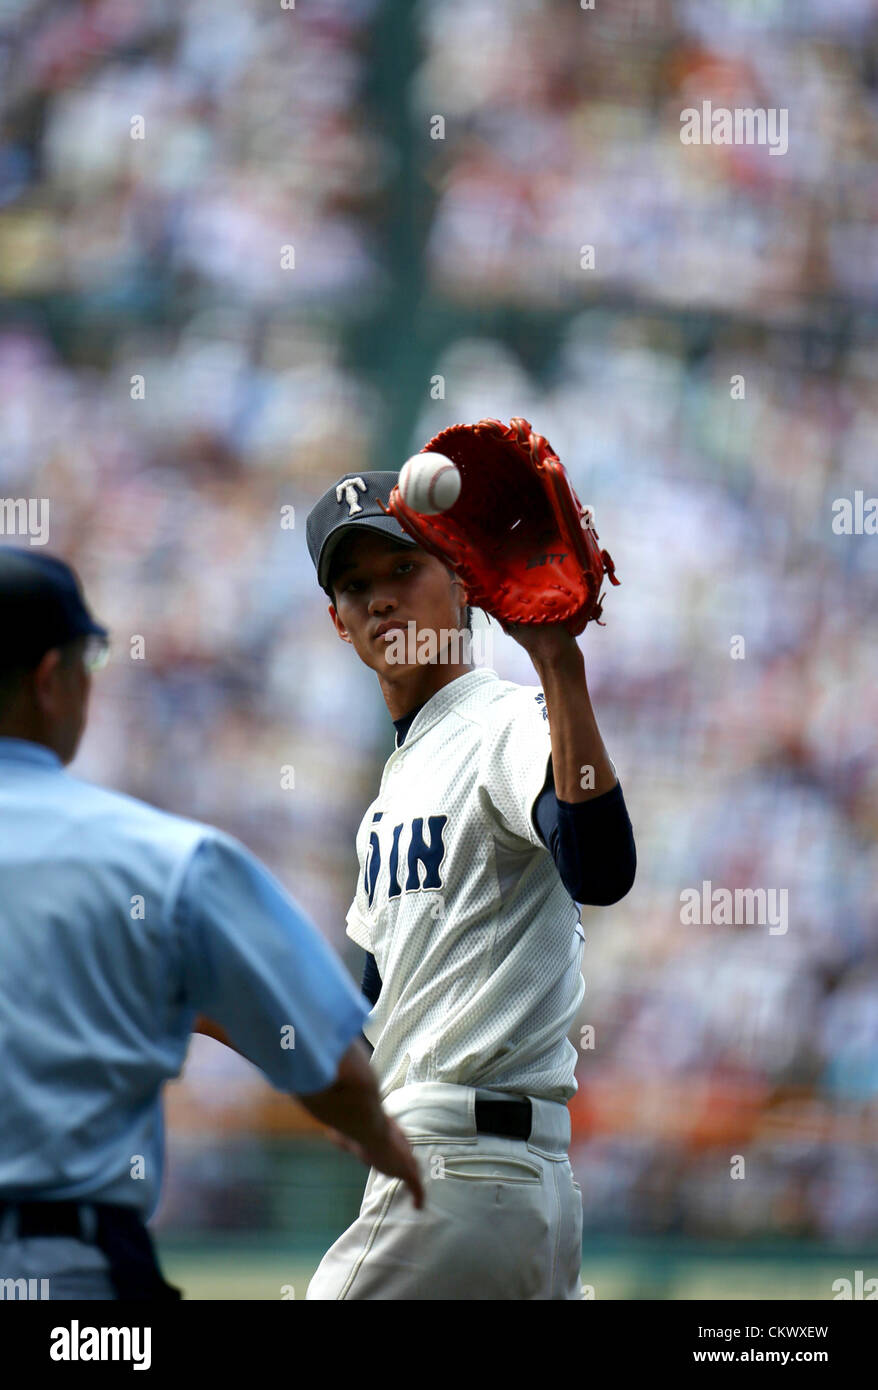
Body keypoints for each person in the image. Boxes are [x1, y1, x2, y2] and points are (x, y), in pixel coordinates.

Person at [0, 546, 423, 1302]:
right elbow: (331, 1061)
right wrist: (382, 1139)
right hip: (64, 1272)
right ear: (50, 681)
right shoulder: (161, 858)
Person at [304, 468, 636, 1300]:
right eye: (355, 586)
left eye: (404, 570)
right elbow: (378, 1035)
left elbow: (602, 866)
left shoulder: (506, 721)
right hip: (497, 1183)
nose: (380, 599)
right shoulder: (389, 796)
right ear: (338, 624)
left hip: (462, 1166)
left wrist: (558, 663)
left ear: (462, 583)